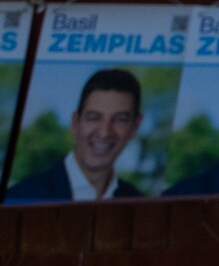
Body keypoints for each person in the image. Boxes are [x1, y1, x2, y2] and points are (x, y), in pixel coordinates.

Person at [5, 67, 146, 202]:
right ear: (75, 123)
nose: (104, 133)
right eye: (94, 117)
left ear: (135, 127)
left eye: (120, 119)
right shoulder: (21, 197)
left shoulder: (138, 203)